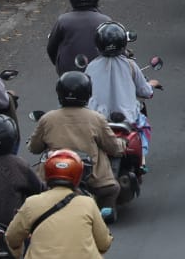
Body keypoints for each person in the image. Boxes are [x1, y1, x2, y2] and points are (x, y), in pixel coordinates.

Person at [26, 72, 124, 217]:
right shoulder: (96, 118)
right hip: (91, 180)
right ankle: (105, 215)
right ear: (87, 94)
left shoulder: (48, 119)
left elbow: (34, 148)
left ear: (59, 93)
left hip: (51, 178)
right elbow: (113, 148)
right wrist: (122, 144)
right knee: (111, 189)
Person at [5, 149, 112, 259]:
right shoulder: (88, 203)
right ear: (78, 175)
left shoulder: (32, 203)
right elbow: (104, 244)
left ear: (47, 172)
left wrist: (18, 253)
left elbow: (12, 239)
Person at [84, 22, 158, 158]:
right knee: (144, 126)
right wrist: (151, 85)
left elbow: (86, 94)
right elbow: (144, 91)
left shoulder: (91, 67)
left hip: (97, 119)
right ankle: (141, 161)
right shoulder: (130, 65)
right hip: (127, 119)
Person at [46, 0, 112, 76]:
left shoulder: (63, 20)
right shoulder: (105, 20)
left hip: (69, 77)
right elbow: (116, 48)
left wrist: (60, 66)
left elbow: (51, 48)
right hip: (100, 75)